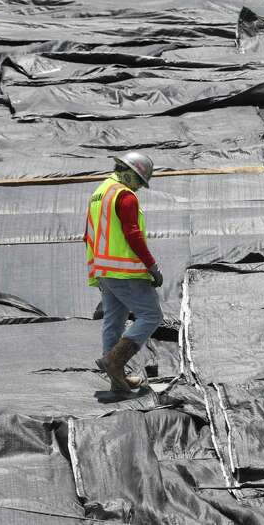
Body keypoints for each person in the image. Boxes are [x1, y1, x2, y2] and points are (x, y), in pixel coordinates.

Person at [84, 152, 164, 394]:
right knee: (151, 315)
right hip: (124, 271)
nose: (139, 187)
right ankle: (115, 361)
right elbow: (132, 234)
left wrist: (96, 270)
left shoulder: (99, 193)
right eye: (139, 180)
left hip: (105, 269)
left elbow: (88, 235)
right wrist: (152, 266)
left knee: (114, 321)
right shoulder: (124, 196)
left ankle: (116, 381)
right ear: (129, 173)